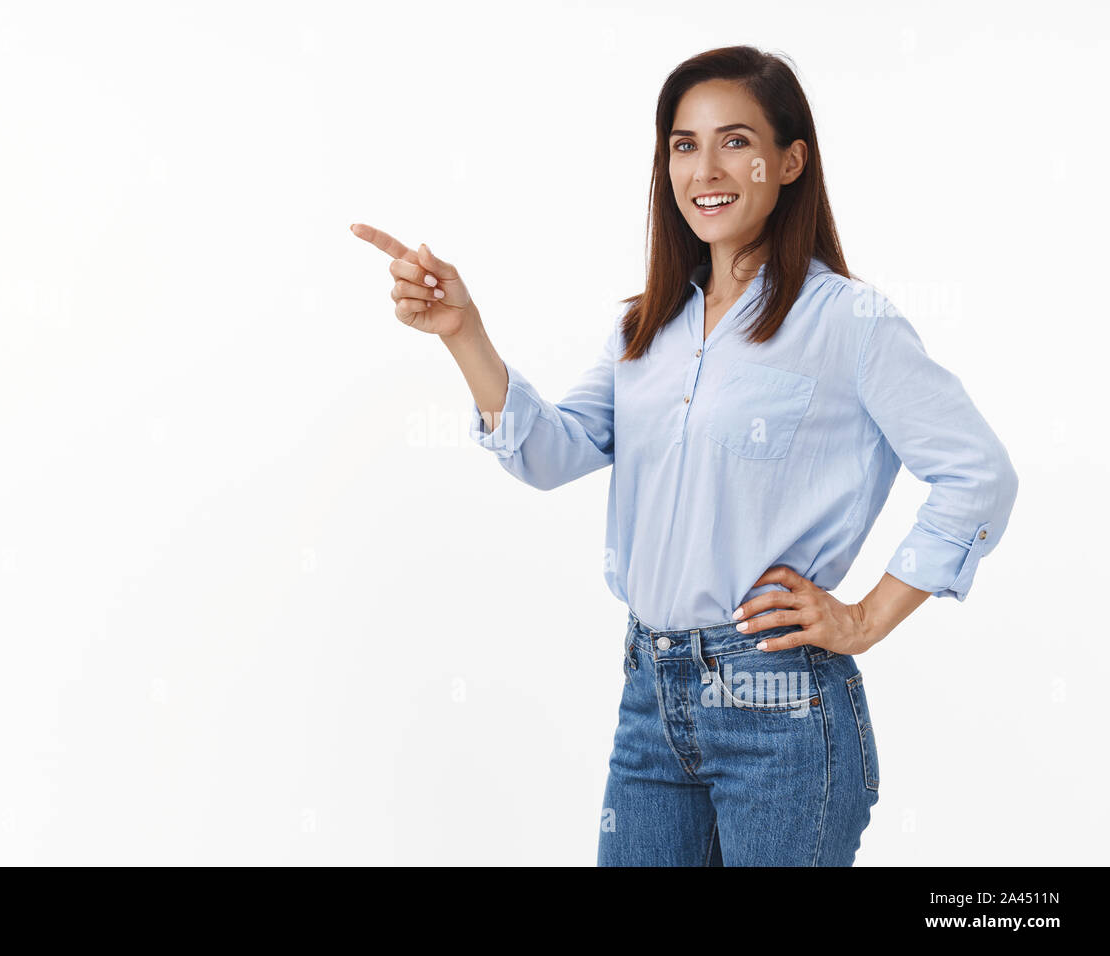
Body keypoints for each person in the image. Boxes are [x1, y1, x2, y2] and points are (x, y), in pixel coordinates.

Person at [349, 45, 1018, 866]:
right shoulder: (646, 327)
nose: (707, 167)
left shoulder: (850, 323)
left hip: (779, 704)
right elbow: (550, 455)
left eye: (736, 141)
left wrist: (866, 617)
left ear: (790, 161)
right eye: (684, 143)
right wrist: (464, 333)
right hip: (650, 698)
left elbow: (977, 475)